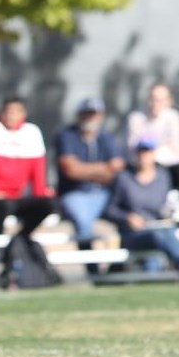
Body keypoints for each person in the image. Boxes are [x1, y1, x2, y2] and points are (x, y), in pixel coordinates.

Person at [103, 139, 179, 281]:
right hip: (133, 233)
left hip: (158, 227)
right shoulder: (123, 178)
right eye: (141, 153)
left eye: (147, 153)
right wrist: (127, 218)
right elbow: (109, 209)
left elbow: (165, 206)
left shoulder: (162, 177)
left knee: (166, 232)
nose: (144, 157)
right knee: (159, 236)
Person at [0, 96, 57, 236]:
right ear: (1, 113)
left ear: (23, 114)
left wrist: (40, 193)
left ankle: (21, 238)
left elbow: (38, 171)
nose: (11, 116)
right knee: (4, 207)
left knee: (49, 204)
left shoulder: (31, 132)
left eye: (16, 112)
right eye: (8, 112)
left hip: (17, 198)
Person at [54, 97, 125, 276]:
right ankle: (94, 272)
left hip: (105, 194)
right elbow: (70, 169)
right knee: (83, 222)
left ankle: (118, 269)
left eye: (93, 114)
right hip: (76, 194)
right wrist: (102, 168)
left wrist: (84, 169)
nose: (89, 118)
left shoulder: (106, 138)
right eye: (86, 114)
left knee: (129, 217)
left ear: (100, 116)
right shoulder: (67, 136)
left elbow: (116, 168)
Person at [125, 82, 179, 200]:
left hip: (169, 161)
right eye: (153, 99)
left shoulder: (173, 117)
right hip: (145, 162)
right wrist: (160, 148)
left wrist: (156, 150)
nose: (155, 103)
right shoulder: (136, 117)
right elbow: (134, 147)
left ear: (168, 101)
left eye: (160, 100)